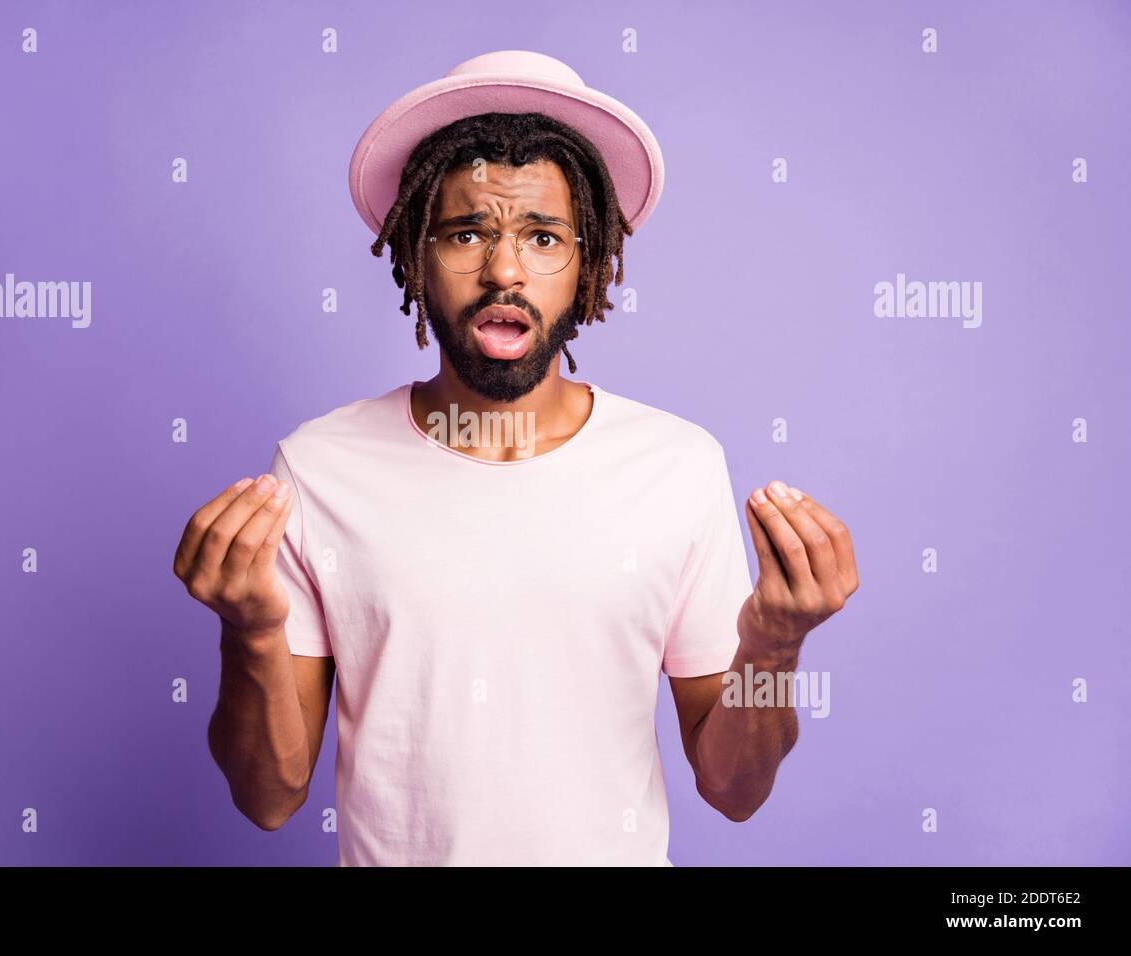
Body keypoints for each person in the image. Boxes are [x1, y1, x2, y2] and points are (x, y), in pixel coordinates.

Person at [173, 51, 859, 866]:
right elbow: (269, 797)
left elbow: (734, 789)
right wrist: (248, 632)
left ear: (591, 262)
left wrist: (775, 646)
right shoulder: (320, 468)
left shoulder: (675, 465)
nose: (505, 271)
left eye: (543, 237)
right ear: (414, 256)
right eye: (467, 233)